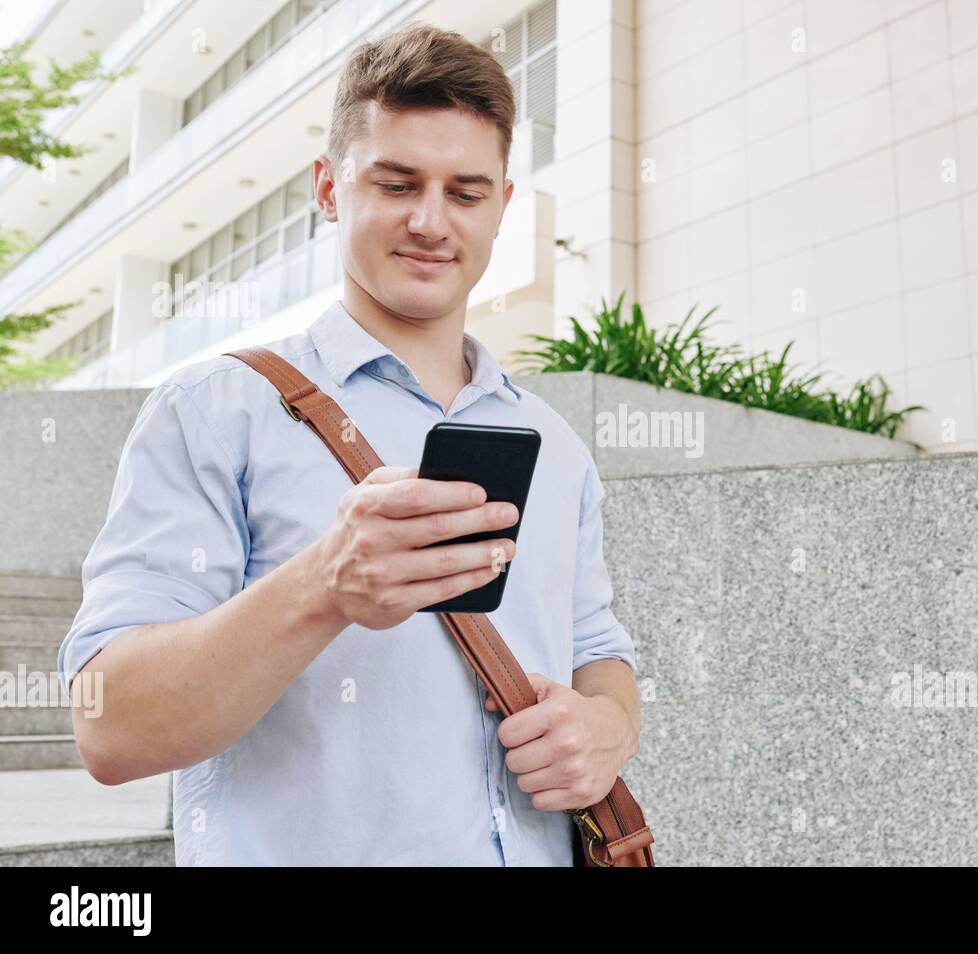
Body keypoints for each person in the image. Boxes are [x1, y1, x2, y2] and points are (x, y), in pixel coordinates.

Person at [58, 21, 640, 866]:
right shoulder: (215, 410)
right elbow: (111, 729)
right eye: (397, 183)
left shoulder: (555, 444)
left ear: (503, 207)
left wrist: (609, 725)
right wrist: (324, 585)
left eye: (466, 193)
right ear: (330, 188)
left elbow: (598, 649)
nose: (431, 222)